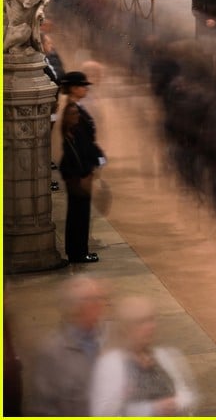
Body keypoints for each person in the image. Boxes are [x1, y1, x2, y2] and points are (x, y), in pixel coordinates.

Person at [90, 296, 198, 416]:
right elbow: (102, 413)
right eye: (141, 322)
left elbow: (187, 394)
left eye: (151, 319)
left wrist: (176, 403)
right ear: (126, 327)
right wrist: (152, 409)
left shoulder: (164, 355)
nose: (151, 327)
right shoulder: (110, 364)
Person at [26, 277, 108, 416]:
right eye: (94, 299)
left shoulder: (110, 336)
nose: (102, 304)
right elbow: (41, 409)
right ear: (76, 308)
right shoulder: (51, 351)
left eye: (101, 298)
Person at [58, 71, 106, 263]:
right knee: (79, 214)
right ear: (72, 88)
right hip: (78, 171)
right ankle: (78, 253)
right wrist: (85, 169)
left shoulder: (74, 107)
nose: (85, 89)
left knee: (78, 212)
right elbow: (76, 145)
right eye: (82, 86)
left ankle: (77, 251)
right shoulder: (73, 111)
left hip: (77, 169)